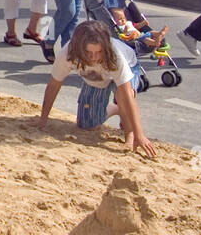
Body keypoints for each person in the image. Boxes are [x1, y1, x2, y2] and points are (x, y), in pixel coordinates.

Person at [36, 20, 156, 159]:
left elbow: (127, 95)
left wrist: (138, 134)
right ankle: (117, 109)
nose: (93, 57)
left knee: (123, 97)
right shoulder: (67, 54)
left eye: (98, 52)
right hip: (95, 78)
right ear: (79, 48)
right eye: (88, 52)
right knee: (87, 125)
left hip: (126, 69)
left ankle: (128, 132)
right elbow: (53, 85)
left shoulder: (116, 55)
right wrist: (43, 118)